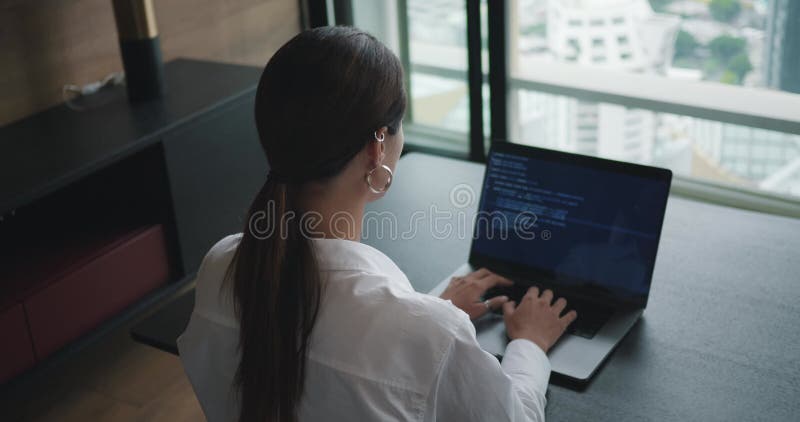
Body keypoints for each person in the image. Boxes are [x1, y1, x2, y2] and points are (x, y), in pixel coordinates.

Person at [177, 26, 576, 422]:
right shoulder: (431, 335)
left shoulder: (220, 268)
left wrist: (428, 316)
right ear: (377, 147)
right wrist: (530, 343)